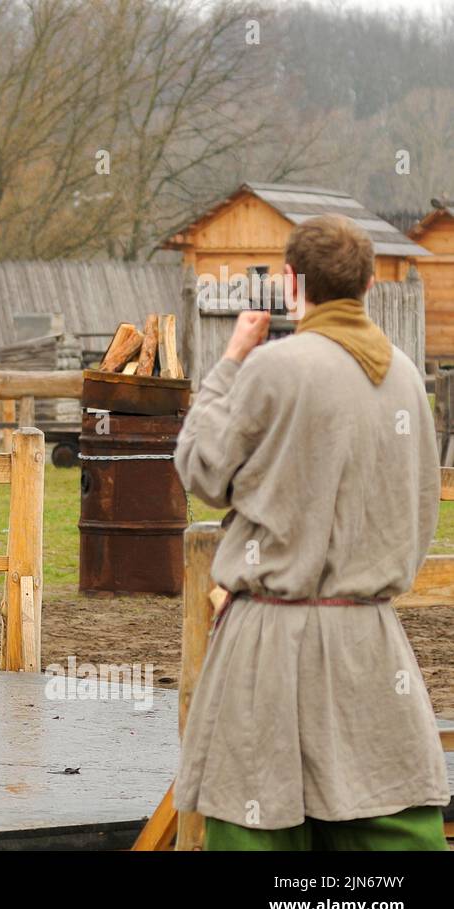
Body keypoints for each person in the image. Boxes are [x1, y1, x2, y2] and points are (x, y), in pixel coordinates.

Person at [173, 214, 449, 850]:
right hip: (370, 641)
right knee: (386, 825)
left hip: (271, 640)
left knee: (257, 830)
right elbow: (421, 509)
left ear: (293, 283)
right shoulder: (408, 377)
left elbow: (203, 469)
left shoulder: (274, 367)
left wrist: (230, 363)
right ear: (370, 284)